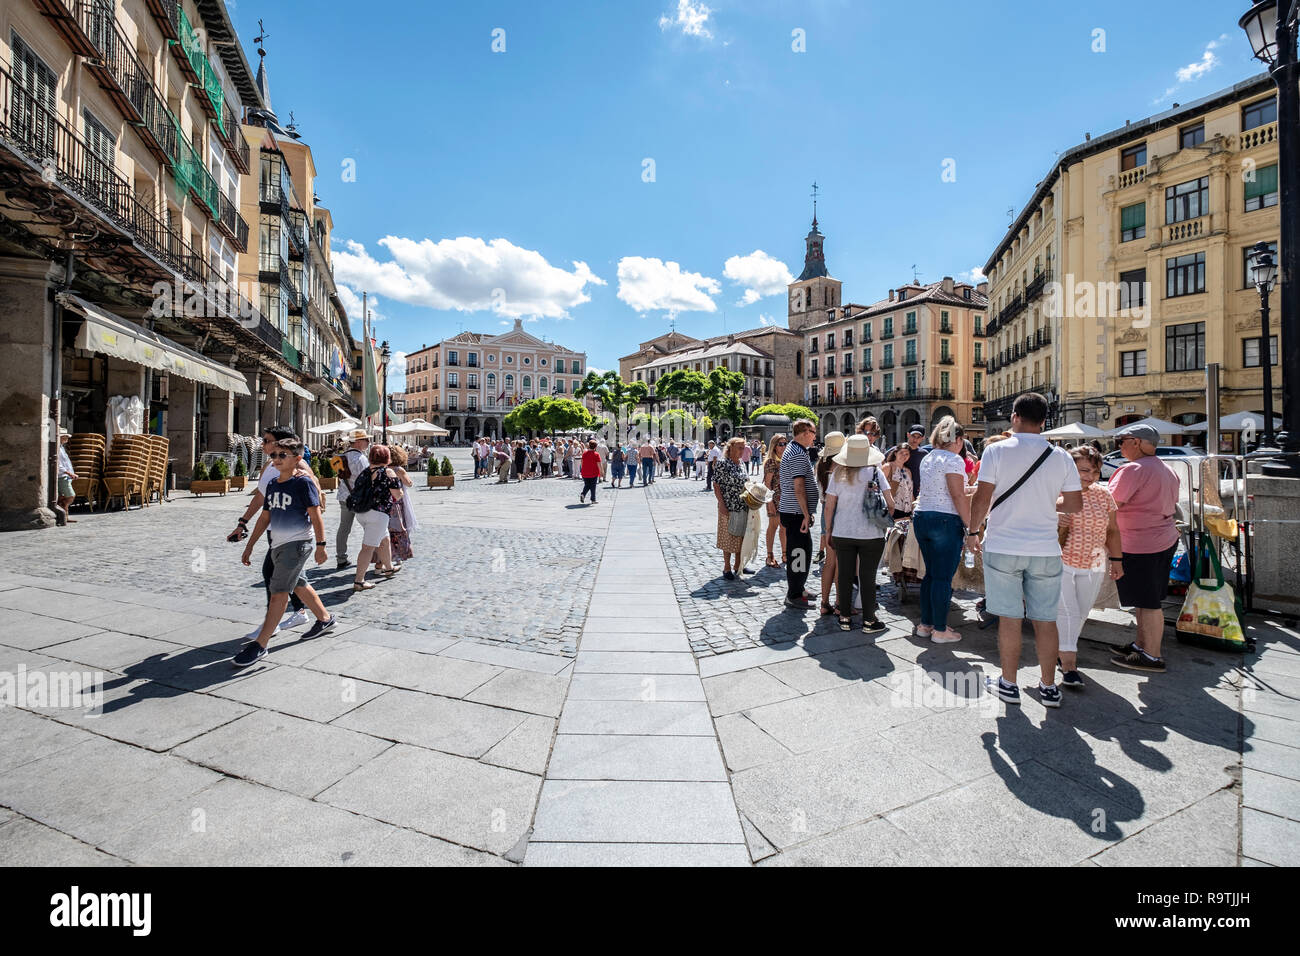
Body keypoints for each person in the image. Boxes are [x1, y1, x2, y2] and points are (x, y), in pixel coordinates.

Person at [967, 393, 1082, 708]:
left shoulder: (996, 451)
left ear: (1014, 417)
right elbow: (1073, 504)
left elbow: (982, 497)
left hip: (1004, 545)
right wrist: (1047, 502)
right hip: (1045, 548)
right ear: (1045, 421)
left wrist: (972, 531)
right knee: (1046, 620)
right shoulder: (1061, 456)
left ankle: (1009, 683)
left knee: (1010, 619)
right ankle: (1048, 687)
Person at [235, 438, 335, 667]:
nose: (276, 459)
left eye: (283, 455)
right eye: (274, 455)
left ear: (297, 459)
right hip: (278, 544)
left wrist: (321, 545)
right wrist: (249, 545)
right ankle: (325, 619)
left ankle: (260, 644)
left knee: (279, 591)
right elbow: (265, 517)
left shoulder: (303, 484)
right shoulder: (273, 485)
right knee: (299, 583)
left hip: (298, 543)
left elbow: (315, 515)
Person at [1107, 423, 1181, 673]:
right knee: (1146, 599)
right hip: (1164, 539)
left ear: (1135, 442)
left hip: (1140, 543)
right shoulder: (1168, 470)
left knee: (1148, 602)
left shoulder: (1133, 469)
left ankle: (1152, 654)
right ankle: (1142, 645)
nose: (1120, 447)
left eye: (1122, 441)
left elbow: (1111, 504)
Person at [1057, 444, 1123, 688]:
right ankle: (1069, 666)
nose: (1089, 476)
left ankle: (1061, 649)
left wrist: (1117, 560)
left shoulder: (1104, 495)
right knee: (1068, 613)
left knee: (1082, 613)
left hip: (1094, 563)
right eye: (1083, 470)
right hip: (1060, 561)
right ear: (1069, 467)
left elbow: (1113, 530)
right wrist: (1054, 515)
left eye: (1094, 472)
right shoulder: (1055, 489)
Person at [911, 416, 975, 645]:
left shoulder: (929, 458)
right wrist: (971, 526)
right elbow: (956, 495)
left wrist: (968, 489)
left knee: (930, 574)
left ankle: (926, 624)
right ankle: (939, 629)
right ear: (957, 439)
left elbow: (942, 488)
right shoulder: (953, 460)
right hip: (945, 521)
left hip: (922, 517)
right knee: (943, 578)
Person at [824, 434, 893, 632]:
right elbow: (890, 503)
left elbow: (829, 506)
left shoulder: (838, 473)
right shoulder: (875, 473)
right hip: (871, 534)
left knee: (845, 575)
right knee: (868, 577)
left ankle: (844, 617)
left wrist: (829, 530)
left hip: (843, 531)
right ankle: (869, 620)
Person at [350, 444, 403, 591]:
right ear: (387, 458)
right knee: (367, 548)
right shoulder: (388, 472)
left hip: (362, 512)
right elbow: (397, 495)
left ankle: (389, 567)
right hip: (378, 514)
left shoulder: (365, 472)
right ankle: (359, 581)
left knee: (384, 540)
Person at [778, 419, 819, 609]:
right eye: (813, 432)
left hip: (794, 511)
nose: (814, 436)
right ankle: (794, 594)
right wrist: (805, 514)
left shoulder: (797, 450)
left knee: (803, 550)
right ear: (804, 432)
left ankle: (799, 587)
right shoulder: (797, 454)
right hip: (795, 512)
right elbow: (799, 487)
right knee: (799, 553)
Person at [816, 432, 846, 616]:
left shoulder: (820, 465)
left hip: (826, 509)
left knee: (829, 561)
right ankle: (839, 603)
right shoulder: (841, 467)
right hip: (839, 511)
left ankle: (824, 602)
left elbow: (821, 496)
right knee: (840, 562)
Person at [713, 437, 750, 579]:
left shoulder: (741, 463)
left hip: (742, 505)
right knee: (728, 536)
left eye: (744, 447)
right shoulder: (722, 463)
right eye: (740, 448)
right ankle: (727, 567)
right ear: (730, 448)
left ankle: (738, 565)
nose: (743, 450)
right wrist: (721, 504)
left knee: (741, 536)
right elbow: (716, 486)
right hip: (728, 505)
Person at [334, 429, 371, 570]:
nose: (368, 442)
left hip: (344, 496)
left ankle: (341, 557)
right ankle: (374, 554)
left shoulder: (341, 457)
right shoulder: (361, 459)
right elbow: (367, 480)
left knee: (344, 528)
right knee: (370, 526)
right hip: (360, 498)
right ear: (358, 442)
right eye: (366, 440)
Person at [387, 445, 417, 564]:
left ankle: (384, 558)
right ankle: (398, 556)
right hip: (397, 502)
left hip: (384, 503)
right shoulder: (398, 470)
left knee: (386, 530)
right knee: (399, 529)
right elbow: (408, 483)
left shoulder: (383, 468)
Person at [763, 434, 789, 567]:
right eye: (780, 444)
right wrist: (769, 503)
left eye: (785, 443)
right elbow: (767, 485)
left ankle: (784, 554)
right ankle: (769, 555)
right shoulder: (771, 462)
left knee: (784, 528)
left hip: (786, 499)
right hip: (774, 499)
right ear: (774, 446)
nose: (784, 446)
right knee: (773, 527)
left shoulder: (786, 459)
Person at [882, 444, 915, 519]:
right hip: (892, 509)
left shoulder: (908, 471)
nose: (904, 456)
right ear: (895, 453)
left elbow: (910, 491)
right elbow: (880, 487)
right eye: (901, 453)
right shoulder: (888, 467)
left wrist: (914, 506)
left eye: (907, 454)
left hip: (907, 511)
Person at [55, 427, 77, 523]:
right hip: (62, 476)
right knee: (71, 496)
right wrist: (69, 473)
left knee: (66, 496)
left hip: (66, 476)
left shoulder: (61, 447)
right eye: (65, 436)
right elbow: (59, 465)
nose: (67, 438)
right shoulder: (58, 449)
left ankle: (65, 516)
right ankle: (62, 506)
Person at [902, 425, 928, 492]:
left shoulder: (924, 454)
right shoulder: (898, 451)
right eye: (913, 436)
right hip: (900, 489)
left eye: (918, 437)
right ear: (908, 435)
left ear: (923, 438)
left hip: (917, 490)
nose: (915, 439)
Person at [579, 439, 601, 504]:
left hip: (585, 472)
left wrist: (583, 469)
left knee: (587, 485)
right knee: (593, 486)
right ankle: (593, 499)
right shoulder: (596, 454)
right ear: (595, 447)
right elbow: (599, 464)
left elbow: (582, 462)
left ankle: (583, 494)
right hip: (594, 472)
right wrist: (601, 472)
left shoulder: (584, 453)